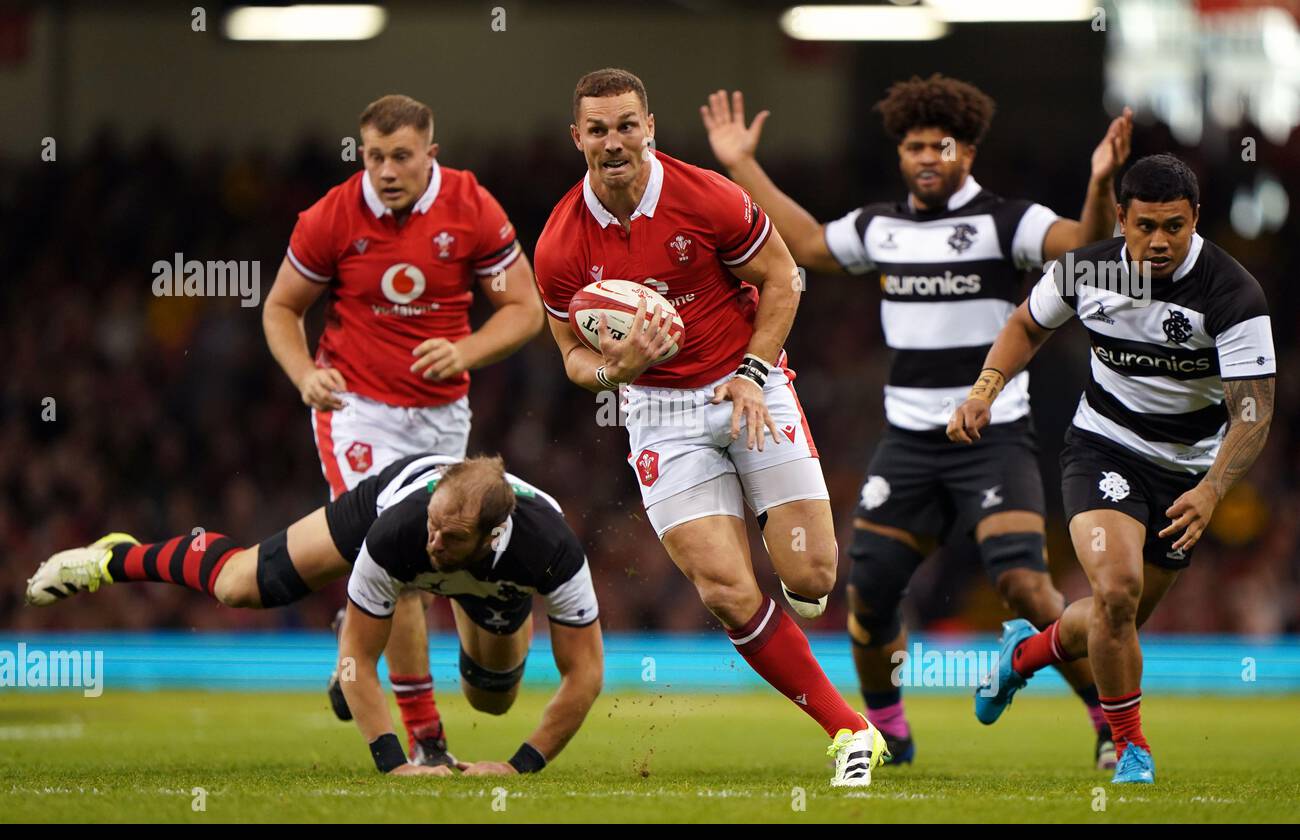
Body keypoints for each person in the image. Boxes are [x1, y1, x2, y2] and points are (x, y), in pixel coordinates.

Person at [701, 74, 1132, 767]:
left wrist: (1097, 183)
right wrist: (741, 163)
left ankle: (1105, 722)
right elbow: (808, 243)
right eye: (913, 145)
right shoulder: (882, 228)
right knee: (868, 591)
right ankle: (890, 734)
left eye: (941, 144)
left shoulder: (1006, 221)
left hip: (994, 437)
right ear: (899, 153)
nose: (927, 156)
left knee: (1024, 584)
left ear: (967, 150)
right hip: (907, 441)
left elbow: (1083, 241)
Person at [534, 67, 886, 787]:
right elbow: (572, 356)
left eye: (626, 125)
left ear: (650, 127)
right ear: (578, 137)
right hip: (659, 411)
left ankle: (777, 536)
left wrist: (755, 373)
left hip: (747, 384)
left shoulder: (707, 196)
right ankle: (850, 730)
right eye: (597, 130)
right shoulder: (560, 245)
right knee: (725, 589)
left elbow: (785, 278)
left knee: (813, 575)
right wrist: (615, 368)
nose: (613, 142)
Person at [947, 153, 1276, 784]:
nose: (1159, 241)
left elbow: (1254, 412)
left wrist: (1211, 491)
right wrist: (985, 390)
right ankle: (1130, 748)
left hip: (1188, 475)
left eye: (1174, 226)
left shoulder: (1233, 294)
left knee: (1110, 616)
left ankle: (1024, 654)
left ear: (1196, 219)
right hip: (1104, 448)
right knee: (1117, 591)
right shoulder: (1085, 268)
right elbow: (1025, 323)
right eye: (1145, 225)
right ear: (1120, 217)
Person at [261, 94, 544, 765]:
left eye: (401, 156)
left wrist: (466, 351)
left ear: (431, 154)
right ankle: (426, 743)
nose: (386, 170)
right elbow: (280, 306)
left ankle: (354, 628)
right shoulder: (332, 215)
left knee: (433, 564)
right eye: (373, 156)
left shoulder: (472, 207)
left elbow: (525, 309)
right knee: (403, 562)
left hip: (443, 418)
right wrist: (304, 372)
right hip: (357, 410)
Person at [26, 454, 603, 777]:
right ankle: (115, 556)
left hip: (493, 587)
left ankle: (403, 601)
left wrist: (518, 766)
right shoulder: (402, 530)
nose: (433, 542)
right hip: (388, 513)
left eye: (448, 538)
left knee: (493, 700)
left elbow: (586, 673)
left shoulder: (549, 549)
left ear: (490, 535)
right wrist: (390, 763)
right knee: (238, 585)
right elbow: (356, 659)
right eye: (431, 525)